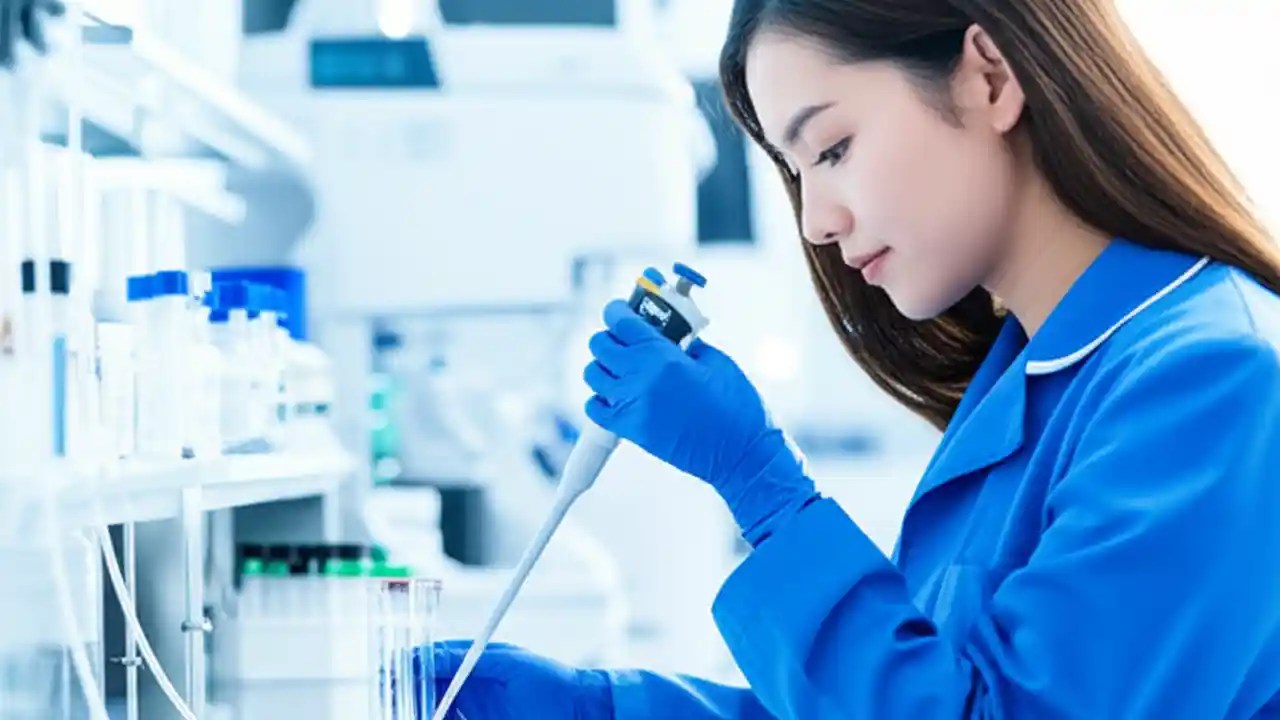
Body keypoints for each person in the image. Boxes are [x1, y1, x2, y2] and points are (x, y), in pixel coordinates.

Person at [432, 0, 1280, 717]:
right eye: (797, 173)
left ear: (987, 76)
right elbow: (922, 693)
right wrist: (605, 707)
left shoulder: (1213, 381)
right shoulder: (1039, 382)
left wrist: (764, 489)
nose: (816, 222)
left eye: (832, 149)